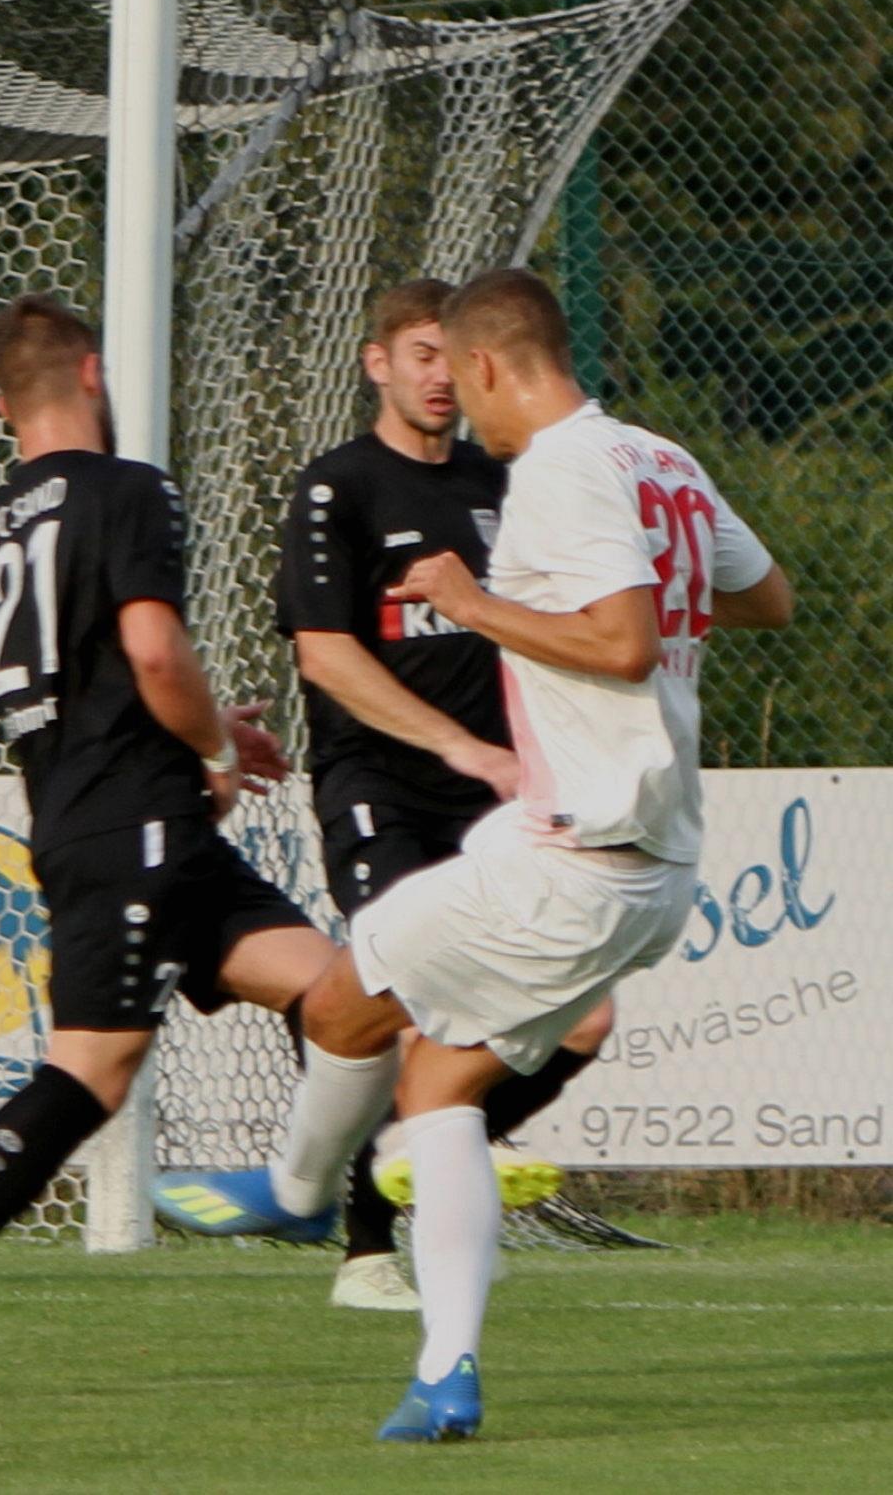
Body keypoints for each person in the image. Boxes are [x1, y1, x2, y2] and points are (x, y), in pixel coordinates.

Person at [157, 269, 792, 1441]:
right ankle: (444, 1372)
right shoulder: (659, 458)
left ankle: (297, 1193)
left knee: (347, 1003)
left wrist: (468, 596)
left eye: (465, 376)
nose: (464, 407)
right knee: (437, 1087)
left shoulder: (553, 471)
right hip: (648, 863)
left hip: (574, 853)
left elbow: (615, 642)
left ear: (492, 364)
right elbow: (766, 599)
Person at [0, 293, 341, 1401]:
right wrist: (214, 742)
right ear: (90, 372)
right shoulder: (129, 489)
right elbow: (152, 649)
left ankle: (356, 1214)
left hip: (100, 817)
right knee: (89, 1071)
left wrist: (197, 754)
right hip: (135, 828)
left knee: (340, 994)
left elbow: (56, 698)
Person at [277, 278, 604, 1312]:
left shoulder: (498, 482)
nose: (436, 377)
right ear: (376, 362)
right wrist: (459, 745)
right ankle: (366, 1246)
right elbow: (326, 656)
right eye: (416, 354)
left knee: (586, 1019)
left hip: (504, 793)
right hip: (381, 786)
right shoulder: (338, 486)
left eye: (445, 356)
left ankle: (437, 1144)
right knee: (407, 993)